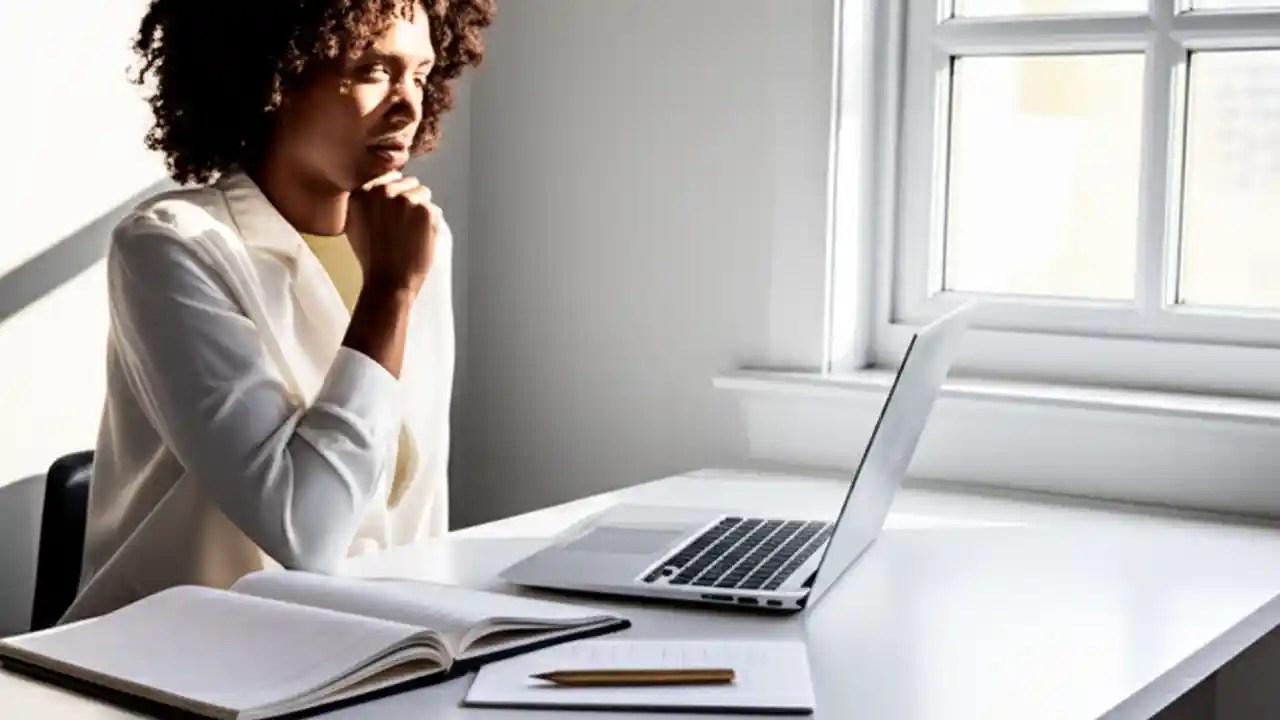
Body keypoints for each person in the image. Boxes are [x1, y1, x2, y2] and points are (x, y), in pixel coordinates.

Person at [63, 0, 495, 623]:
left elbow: (417, 506)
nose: (409, 105)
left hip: (357, 645)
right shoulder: (172, 245)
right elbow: (306, 531)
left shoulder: (421, 237)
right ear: (277, 76)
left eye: (421, 75)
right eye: (375, 69)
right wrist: (389, 291)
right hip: (178, 655)